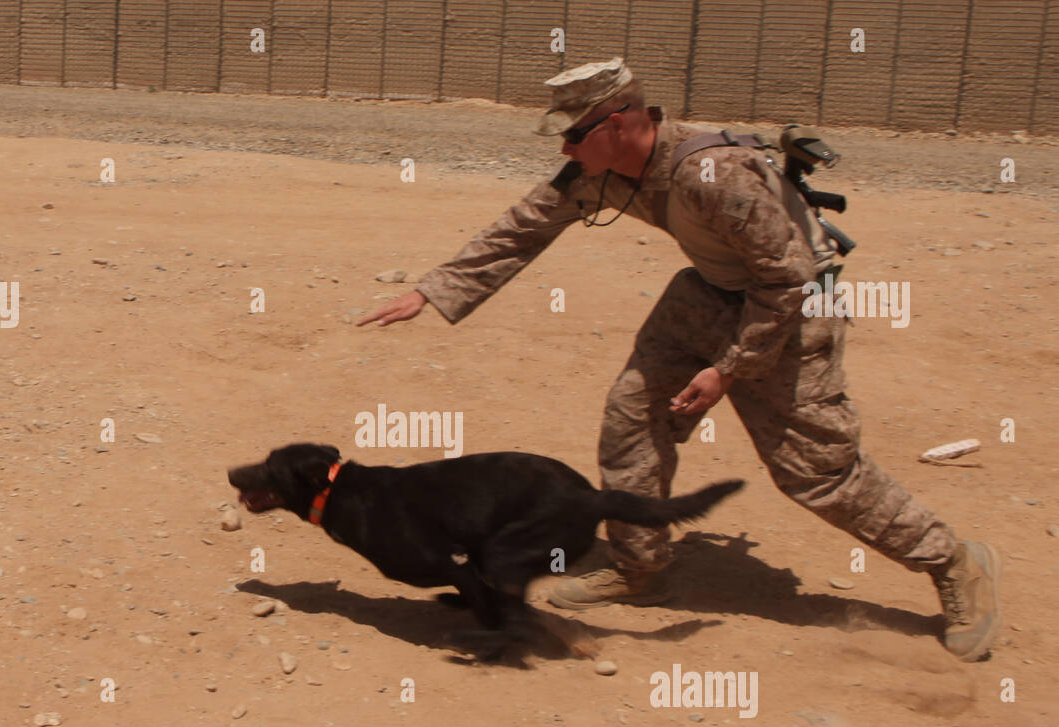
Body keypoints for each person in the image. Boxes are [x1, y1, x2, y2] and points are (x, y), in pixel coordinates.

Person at [357, 58, 1001, 662]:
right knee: (632, 418)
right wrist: (432, 290)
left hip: (790, 313)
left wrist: (727, 368)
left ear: (617, 125)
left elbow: (788, 281)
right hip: (707, 297)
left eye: (574, 135)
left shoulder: (713, 173)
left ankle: (953, 561)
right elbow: (524, 225)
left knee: (815, 474)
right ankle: (640, 568)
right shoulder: (601, 172)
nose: (565, 151)